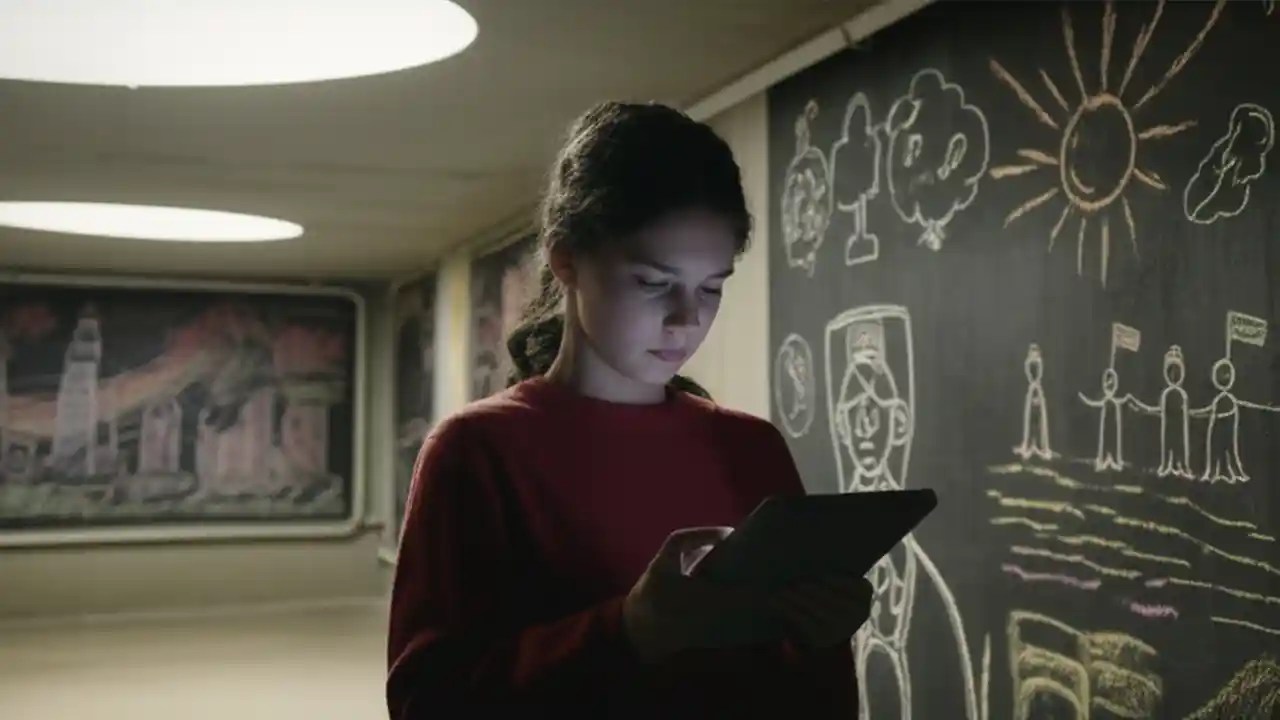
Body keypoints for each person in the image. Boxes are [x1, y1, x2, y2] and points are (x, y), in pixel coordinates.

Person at [387, 101, 872, 717]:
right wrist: (628, 628)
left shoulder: (751, 448)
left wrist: (820, 638)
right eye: (653, 282)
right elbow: (425, 702)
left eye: (711, 287)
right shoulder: (477, 450)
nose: (686, 320)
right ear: (566, 260)